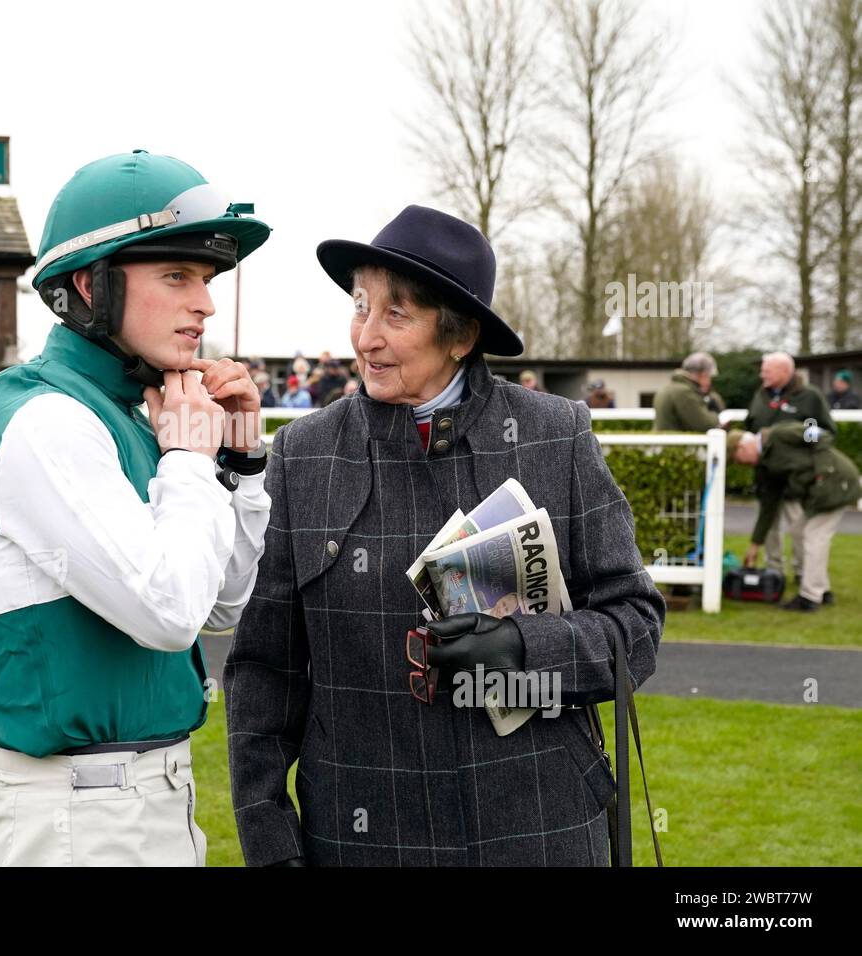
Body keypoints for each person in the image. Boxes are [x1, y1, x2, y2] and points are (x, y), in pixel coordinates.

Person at [226, 205, 664, 867]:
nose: (365, 338)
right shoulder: (304, 455)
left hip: (538, 829)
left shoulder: (555, 435)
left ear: (459, 336)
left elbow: (637, 628)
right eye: (360, 307)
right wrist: (270, 846)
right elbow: (263, 673)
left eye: (395, 316)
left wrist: (519, 649)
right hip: (360, 840)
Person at [0, 150, 273, 866]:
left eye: (206, 280)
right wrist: (185, 458)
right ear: (90, 285)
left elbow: (223, 604)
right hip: (80, 817)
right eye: (177, 275)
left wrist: (242, 465)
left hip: (150, 800)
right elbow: (171, 610)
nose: (204, 304)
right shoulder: (42, 419)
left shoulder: (130, 409)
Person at [731, 423, 860, 611]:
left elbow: (819, 434)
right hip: (819, 494)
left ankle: (810, 597)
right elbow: (769, 506)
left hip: (837, 482)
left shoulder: (780, 434)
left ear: (742, 447)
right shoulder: (765, 466)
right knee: (799, 531)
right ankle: (822, 590)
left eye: (737, 459)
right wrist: (754, 545)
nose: (741, 464)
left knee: (814, 536)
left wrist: (822, 473)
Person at [746, 352, 837, 584]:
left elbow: (826, 433)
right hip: (767, 478)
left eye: (767, 370)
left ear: (785, 372)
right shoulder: (760, 395)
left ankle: (803, 573)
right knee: (770, 529)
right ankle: (774, 573)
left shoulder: (810, 397)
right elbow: (751, 426)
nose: (762, 374)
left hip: (797, 480)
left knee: (800, 530)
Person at [652, 351, 722, 432]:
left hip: (667, 442)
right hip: (676, 443)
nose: (709, 382)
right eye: (708, 376)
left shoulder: (670, 387)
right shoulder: (684, 392)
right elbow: (705, 425)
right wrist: (715, 413)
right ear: (702, 375)